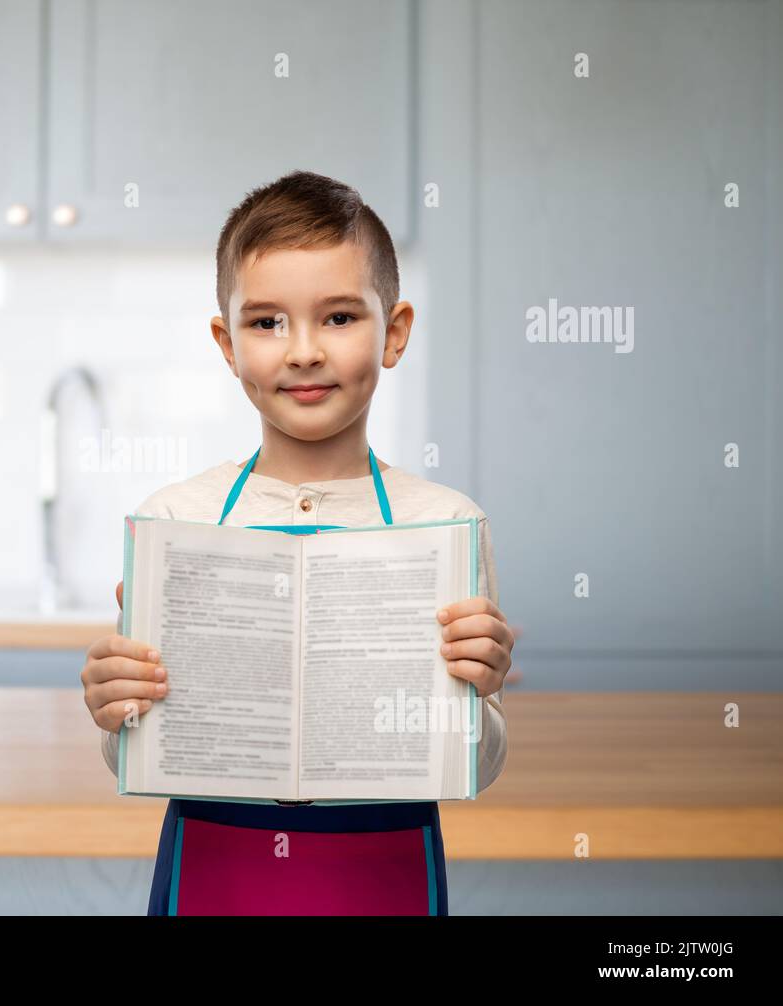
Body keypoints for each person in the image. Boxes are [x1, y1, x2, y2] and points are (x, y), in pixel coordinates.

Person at [80, 170, 515, 915]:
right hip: (214, 876)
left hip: (387, 879)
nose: (304, 351)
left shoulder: (446, 523)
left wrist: (478, 694)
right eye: (267, 322)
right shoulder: (178, 519)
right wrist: (116, 710)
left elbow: (475, 762)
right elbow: (138, 751)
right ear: (227, 342)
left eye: (340, 317)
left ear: (396, 332)